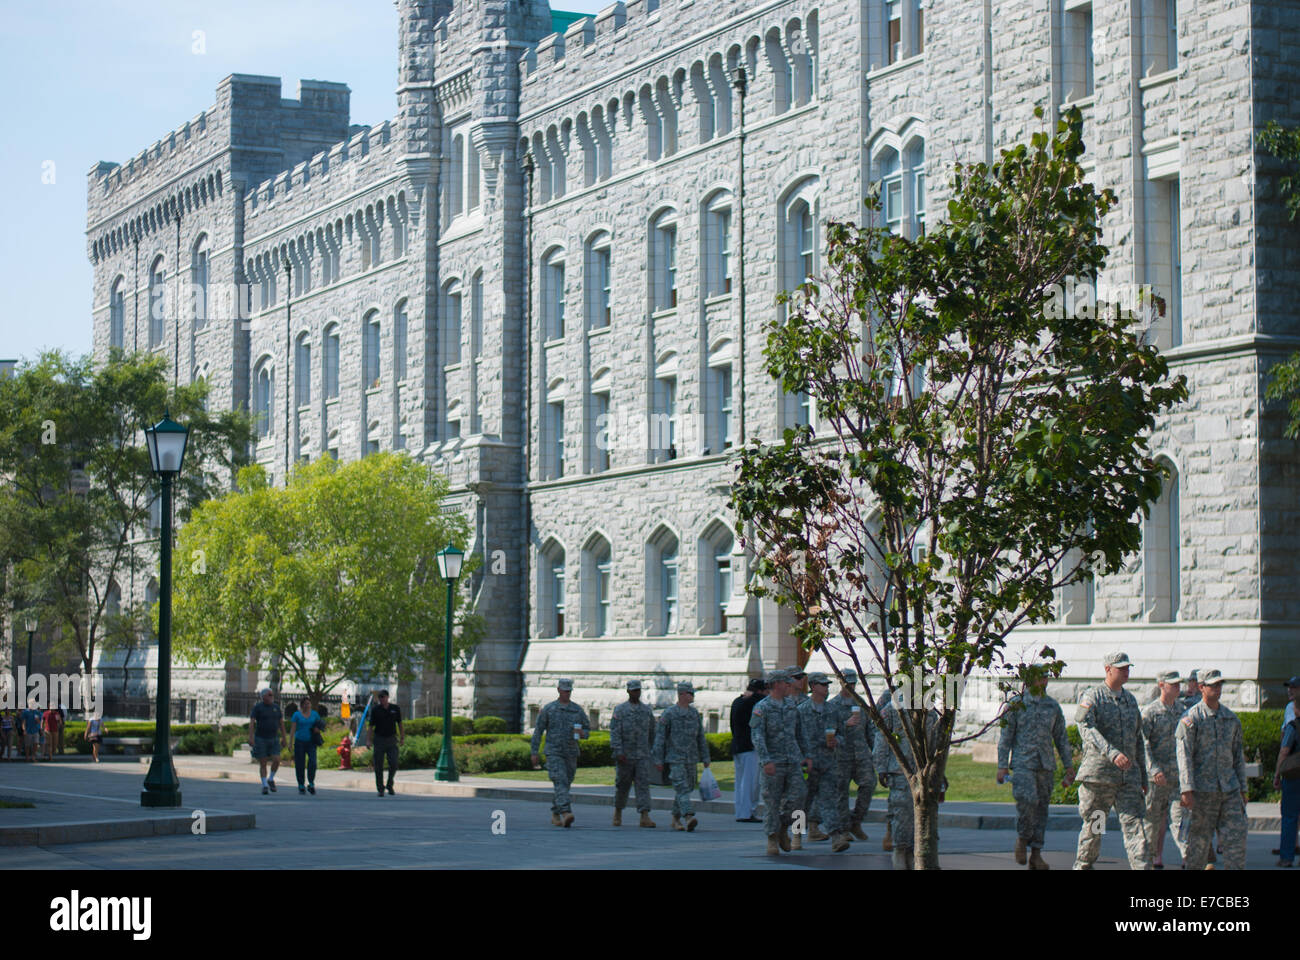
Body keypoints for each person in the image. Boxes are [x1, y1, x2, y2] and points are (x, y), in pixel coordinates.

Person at [1073, 651, 1151, 870]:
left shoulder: (1129, 700)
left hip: (1128, 781)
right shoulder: (1093, 697)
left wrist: (1142, 776)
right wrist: (1112, 752)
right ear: (1108, 669)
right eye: (1121, 668)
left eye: (1128, 668)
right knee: (1096, 827)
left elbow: (1137, 739)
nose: (1126, 672)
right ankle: (1084, 865)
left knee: (1135, 826)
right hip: (1100, 780)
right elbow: (1086, 727)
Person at [997, 676, 1075, 870]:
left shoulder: (1052, 706)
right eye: (1037, 678)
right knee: (1027, 800)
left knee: (1041, 809)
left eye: (1044, 678)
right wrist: (1002, 765)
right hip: (1023, 763)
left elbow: (1061, 738)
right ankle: (1022, 839)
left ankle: (1036, 854)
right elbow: (1006, 737)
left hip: (1045, 765)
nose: (1041, 682)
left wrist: (1069, 766)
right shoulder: (1017, 705)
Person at [1176, 669, 1247, 870]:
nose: (1217, 689)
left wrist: (1243, 788)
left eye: (1219, 685)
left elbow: (1237, 757)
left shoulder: (1231, 719)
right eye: (1212, 685)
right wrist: (1187, 789)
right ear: (1201, 688)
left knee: (1236, 843)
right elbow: (1184, 756)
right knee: (1197, 848)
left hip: (1229, 790)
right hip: (1202, 793)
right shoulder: (1191, 719)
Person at [874, 692, 946, 870]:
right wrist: (881, 767)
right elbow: (882, 739)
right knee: (901, 813)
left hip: (924, 771)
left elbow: (936, 743)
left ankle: (916, 854)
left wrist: (939, 772)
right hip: (900, 770)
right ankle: (900, 851)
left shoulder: (929, 712)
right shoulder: (892, 710)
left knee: (923, 816)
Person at [750, 669, 811, 855]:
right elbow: (757, 735)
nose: (789, 686)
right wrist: (765, 760)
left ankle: (787, 828)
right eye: (786, 683)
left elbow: (800, 733)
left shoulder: (792, 706)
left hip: (793, 761)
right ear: (777, 684)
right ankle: (772, 838)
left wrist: (806, 755)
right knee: (772, 802)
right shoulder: (762, 708)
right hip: (773, 762)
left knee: (799, 797)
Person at [797, 673, 850, 852]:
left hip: (828, 762)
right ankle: (797, 835)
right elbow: (795, 738)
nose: (826, 688)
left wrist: (837, 741)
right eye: (822, 685)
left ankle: (836, 837)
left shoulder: (832, 710)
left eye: (827, 685)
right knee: (802, 800)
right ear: (813, 686)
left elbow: (842, 733)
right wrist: (802, 758)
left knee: (828, 799)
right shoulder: (801, 710)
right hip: (807, 763)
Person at [1142, 670, 1187, 868]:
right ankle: (1150, 859)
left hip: (1178, 778)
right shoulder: (1150, 712)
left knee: (1180, 820)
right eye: (1173, 684)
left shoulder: (1183, 711)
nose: (1178, 687)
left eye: (1179, 684)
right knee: (1152, 822)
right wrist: (1153, 770)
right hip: (1157, 779)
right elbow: (1142, 744)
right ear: (1161, 685)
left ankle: (1189, 857)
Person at [530, 678, 590, 827]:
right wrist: (534, 752)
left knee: (565, 784)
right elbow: (538, 731)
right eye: (564, 691)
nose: (566, 694)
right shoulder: (549, 709)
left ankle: (555, 813)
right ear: (558, 690)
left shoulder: (577, 710)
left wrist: (582, 733)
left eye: (569, 691)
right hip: (554, 752)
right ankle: (566, 812)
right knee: (560, 781)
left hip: (571, 752)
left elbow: (587, 729)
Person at [653, 681, 711, 831]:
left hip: (691, 758)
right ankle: (688, 817)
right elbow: (660, 738)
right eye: (691, 693)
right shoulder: (669, 713)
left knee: (687, 788)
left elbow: (700, 737)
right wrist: (657, 759)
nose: (693, 696)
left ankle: (675, 818)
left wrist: (705, 757)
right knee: (682, 788)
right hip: (675, 758)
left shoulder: (694, 714)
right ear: (682, 694)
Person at [830, 670, 875, 842]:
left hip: (862, 754)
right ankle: (843, 828)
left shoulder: (861, 704)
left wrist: (875, 751)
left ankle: (856, 821)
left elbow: (870, 730)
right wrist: (844, 724)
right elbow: (828, 730)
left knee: (868, 784)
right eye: (847, 683)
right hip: (841, 755)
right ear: (840, 683)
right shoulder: (833, 705)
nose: (851, 686)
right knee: (841, 792)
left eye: (853, 683)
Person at [609, 680, 656, 827]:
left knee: (643, 786)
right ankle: (618, 811)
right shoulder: (620, 710)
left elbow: (652, 733)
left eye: (638, 690)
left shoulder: (646, 711)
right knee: (622, 785)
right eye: (634, 690)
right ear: (628, 691)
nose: (636, 693)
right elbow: (615, 733)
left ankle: (644, 815)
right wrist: (618, 751)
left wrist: (653, 751)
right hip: (625, 755)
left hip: (642, 755)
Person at [730, 678, 766, 823]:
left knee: (740, 782)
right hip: (750, 747)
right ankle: (747, 812)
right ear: (760, 691)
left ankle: (740, 811)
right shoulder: (754, 703)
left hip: (738, 745)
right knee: (750, 782)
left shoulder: (737, 701)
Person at [1273, 706, 1300, 867]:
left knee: (1290, 817)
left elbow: (1284, 751)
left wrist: (1277, 774)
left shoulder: (1293, 727)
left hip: (1294, 776)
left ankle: (1287, 857)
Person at [248, 687, 287, 795]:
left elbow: (281, 723)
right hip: (261, 737)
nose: (272, 697)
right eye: (270, 695)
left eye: (272, 695)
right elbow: (252, 722)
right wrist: (251, 737)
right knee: (263, 762)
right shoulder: (258, 708)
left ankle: (271, 778)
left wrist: (284, 737)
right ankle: (264, 784)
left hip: (274, 738)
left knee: (277, 759)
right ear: (263, 697)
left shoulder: (276, 708)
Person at [368, 689, 404, 797]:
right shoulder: (376, 710)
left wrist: (402, 737)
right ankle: (380, 788)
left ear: (388, 697)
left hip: (391, 739)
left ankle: (389, 784)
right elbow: (370, 726)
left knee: (394, 763)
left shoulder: (395, 709)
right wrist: (368, 740)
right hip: (379, 739)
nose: (382, 699)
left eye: (383, 697)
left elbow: (400, 723)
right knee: (378, 765)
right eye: (380, 697)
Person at [289, 696, 322, 795]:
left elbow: (320, 725)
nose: (307, 705)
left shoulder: (314, 714)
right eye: (305, 704)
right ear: (302, 705)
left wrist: (317, 729)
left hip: (311, 741)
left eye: (309, 703)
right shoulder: (297, 715)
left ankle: (311, 783)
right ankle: (301, 784)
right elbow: (293, 729)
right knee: (300, 763)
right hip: (300, 741)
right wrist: (290, 742)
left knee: (312, 762)